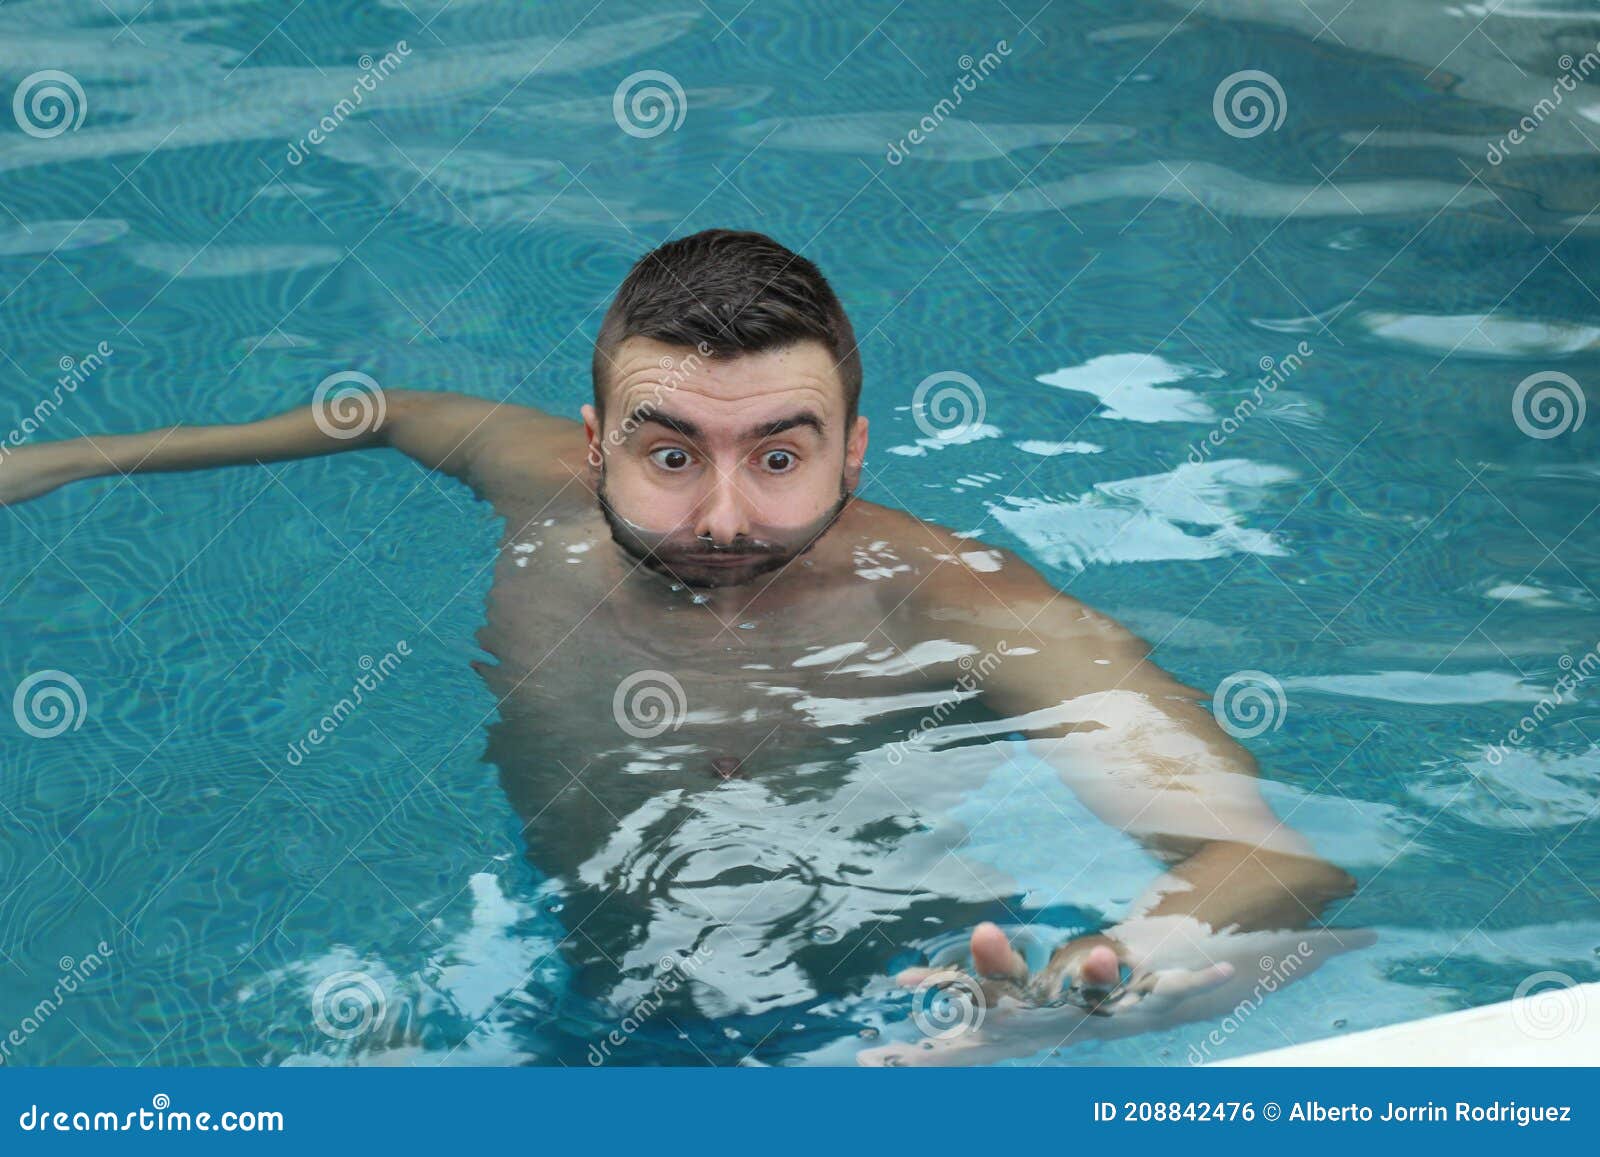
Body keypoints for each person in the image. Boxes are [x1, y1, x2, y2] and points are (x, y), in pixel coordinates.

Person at [1, 229, 1359, 1064]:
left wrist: (1082, 977)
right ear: (590, 448)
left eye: (780, 454)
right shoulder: (531, 478)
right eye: (669, 454)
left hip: (865, 1026)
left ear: (856, 451)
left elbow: (1272, 862)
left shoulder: (961, 600)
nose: (722, 513)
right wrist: (64, 457)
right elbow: (380, 412)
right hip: (563, 979)